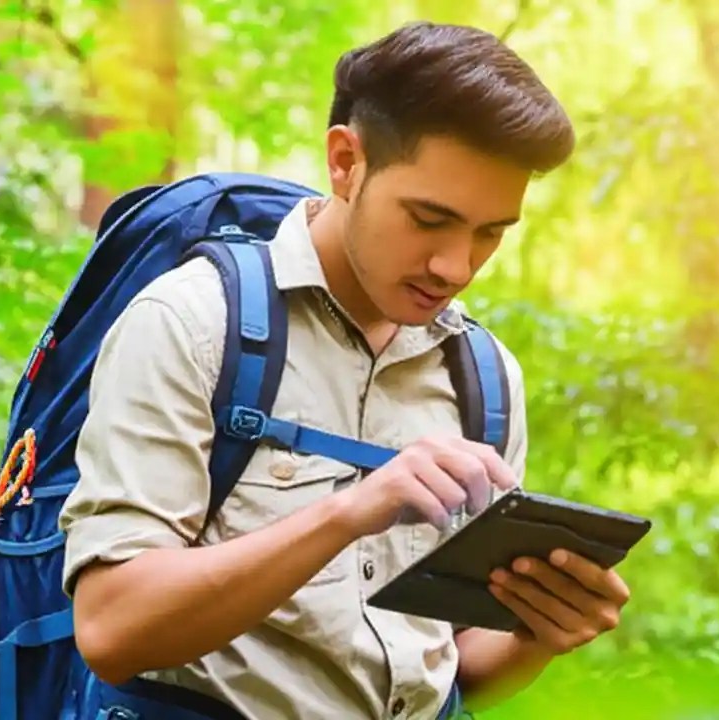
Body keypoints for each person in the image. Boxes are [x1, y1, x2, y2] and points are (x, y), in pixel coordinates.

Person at [58, 20, 633, 720]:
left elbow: (453, 664)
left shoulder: (483, 376)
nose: (456, 267)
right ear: (344, 161)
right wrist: (351, 512)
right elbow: (113, 629)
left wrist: (541, 630)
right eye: (429, 219)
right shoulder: (191, 323)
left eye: (490, 233)